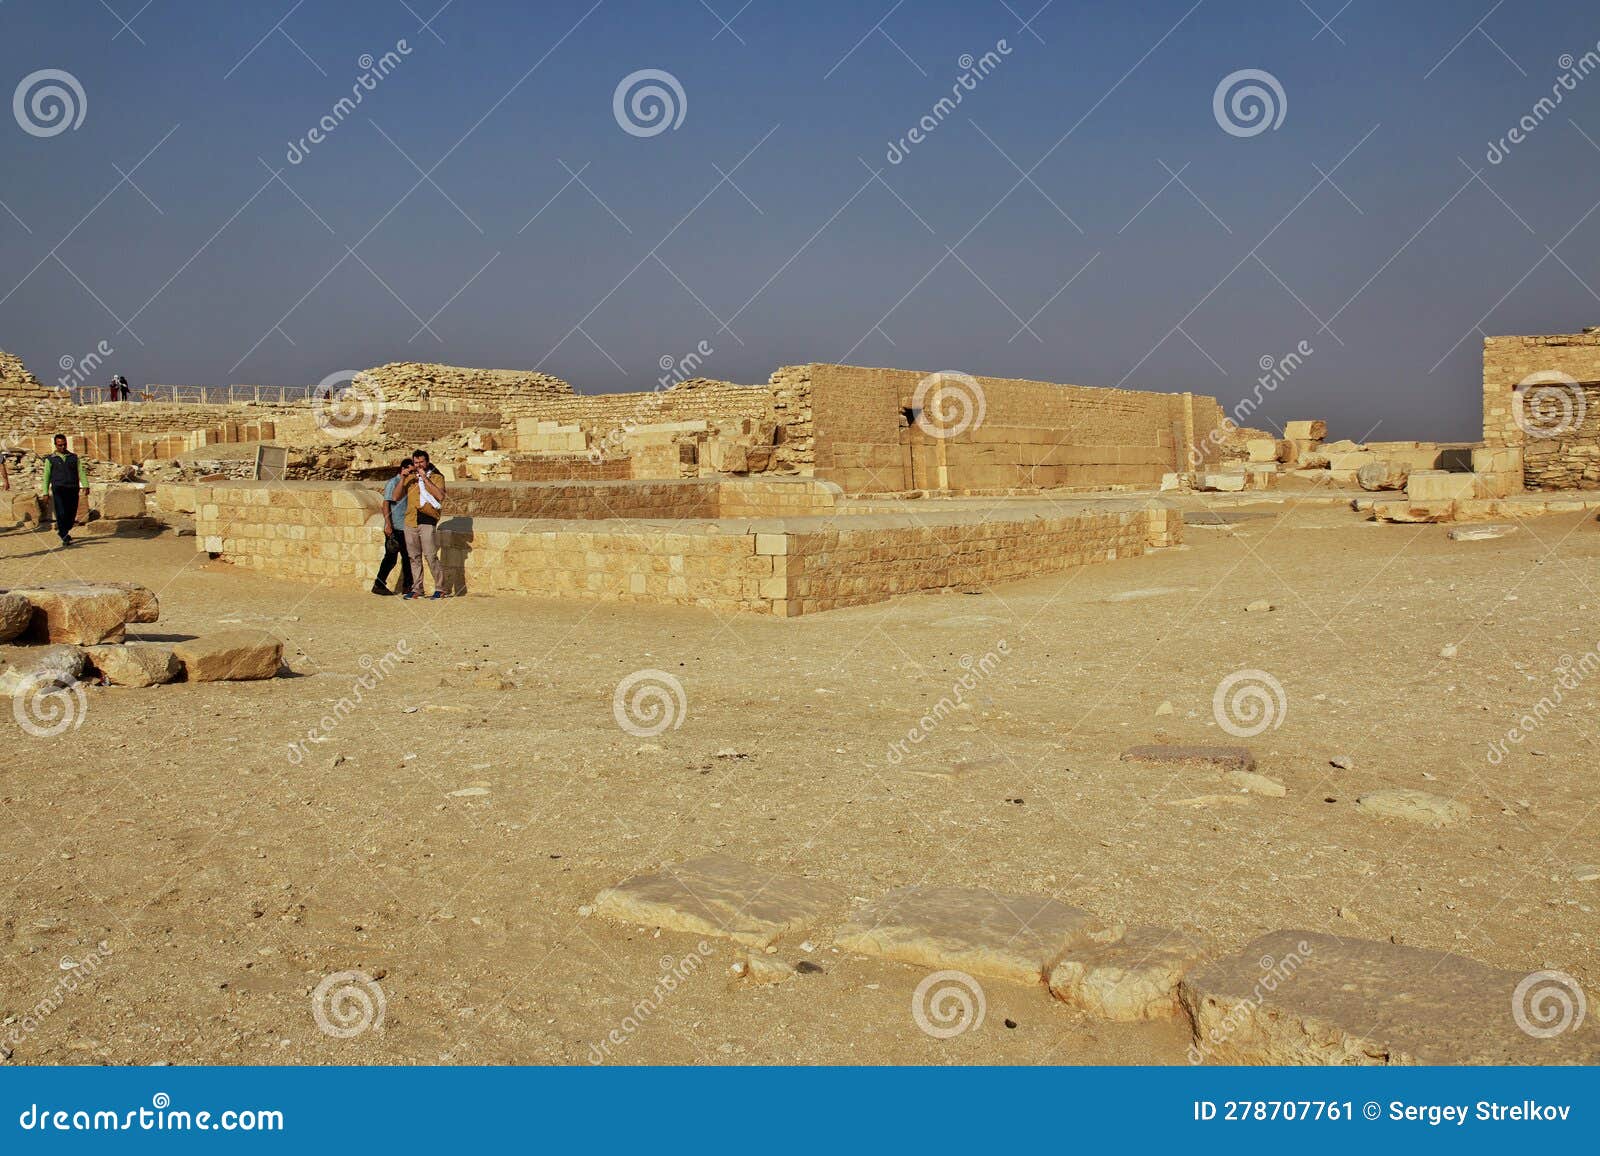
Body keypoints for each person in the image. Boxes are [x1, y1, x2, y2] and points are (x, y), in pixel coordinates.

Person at [393, 449, 447, 599]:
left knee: (430, 556)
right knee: (414, 557)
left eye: (421, 462)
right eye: (416, 462)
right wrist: (403, 478)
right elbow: (396, 497)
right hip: (410, 521)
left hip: (428, 520)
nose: (418, 465)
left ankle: (440, 588)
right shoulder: (410, 478)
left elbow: (440, 495)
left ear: (427, 462)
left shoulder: (436, 477)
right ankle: (417, 589)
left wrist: (424, 478)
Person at [371, 459, 414, 595]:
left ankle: (407, 586)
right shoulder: (393, 483)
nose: (412, 473)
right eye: (411, 470)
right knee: (391, 558)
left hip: (405, 526)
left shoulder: (409, 483)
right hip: (395, 526)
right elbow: (386, 504)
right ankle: (379, 584)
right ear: (403, 469)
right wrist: (388, 524)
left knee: (407, 558)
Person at [39, 434, 86, 547]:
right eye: (60, 445)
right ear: (55, 445)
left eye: (64, 444)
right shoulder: (50, 459)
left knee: (71, 512)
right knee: (61, 512)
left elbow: (81, 471)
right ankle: (64, 535)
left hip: (73, 488)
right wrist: (45, 492)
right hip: (58, 488)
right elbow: (46, 476)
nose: (63, 447)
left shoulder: (74, 457)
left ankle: (65, 529)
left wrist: (86, 485)